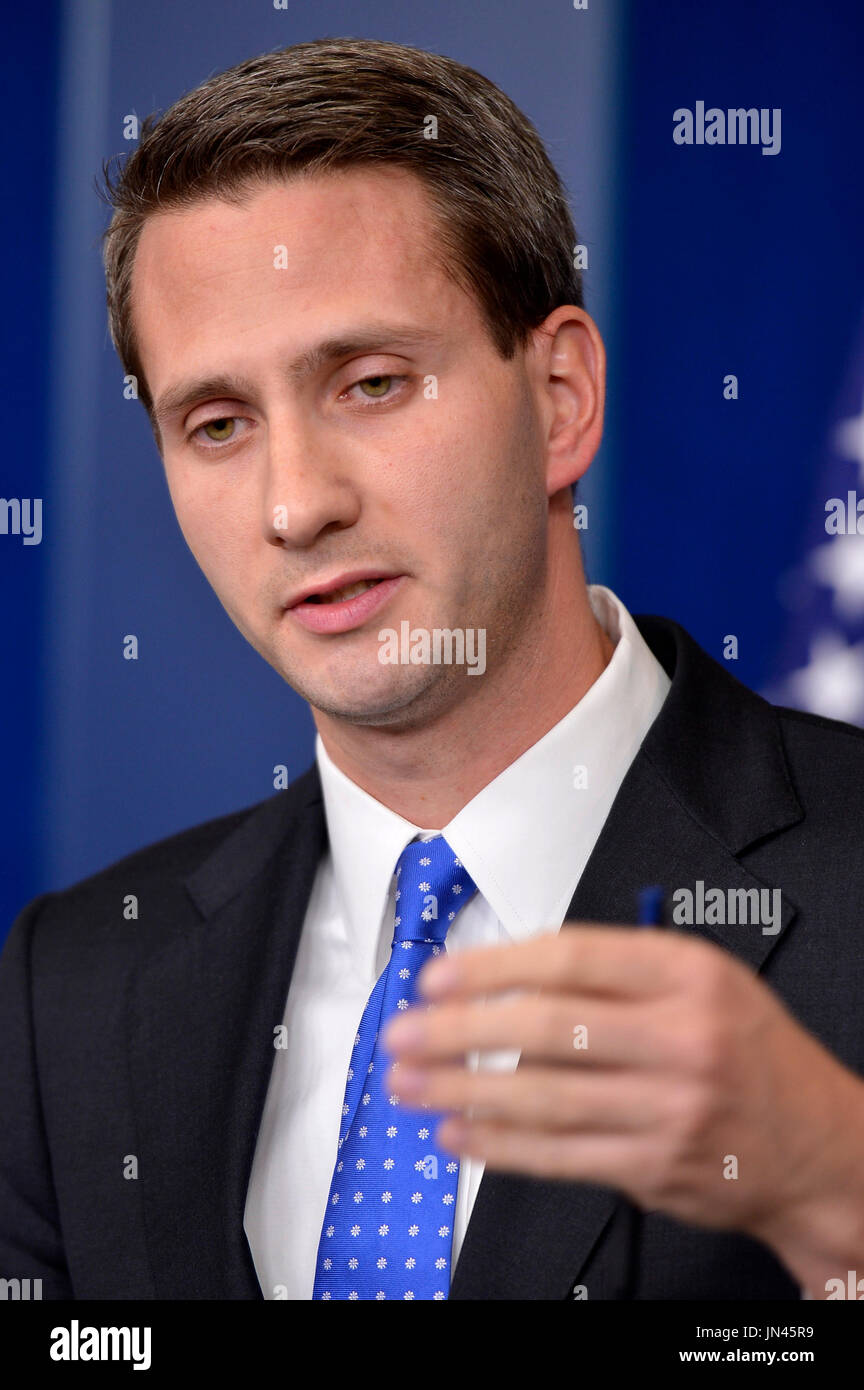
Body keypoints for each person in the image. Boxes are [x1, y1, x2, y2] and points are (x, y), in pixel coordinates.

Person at [2, 36, 863, 1303]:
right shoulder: (70, 986)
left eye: (371, 383)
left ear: (561, 396)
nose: (296, 506)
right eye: (219, 424)